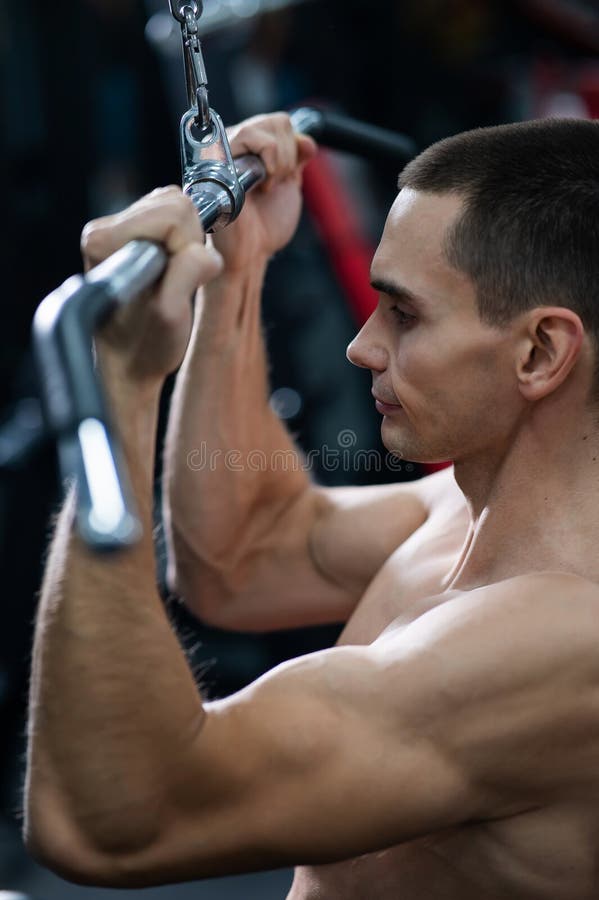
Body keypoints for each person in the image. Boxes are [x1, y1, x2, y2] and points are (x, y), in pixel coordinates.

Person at [24, 111, 599, 899]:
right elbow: (241, 556)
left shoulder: (558, 643)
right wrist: (235, 270)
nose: (360, 346)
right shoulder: (466, 504)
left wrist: (122, 386)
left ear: (539, 352)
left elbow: (117, 818)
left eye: (402, 313)